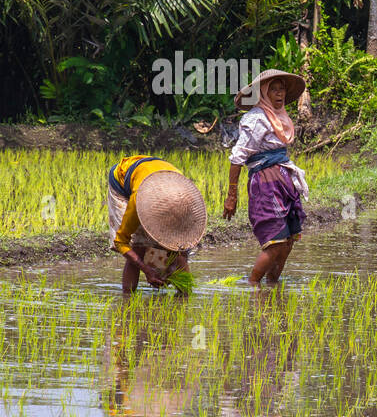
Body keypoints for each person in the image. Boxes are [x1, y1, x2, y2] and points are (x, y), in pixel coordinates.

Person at [223, 69, 310, 287]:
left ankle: (273, 285)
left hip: (283, 180)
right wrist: (231, 195)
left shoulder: (280, 116)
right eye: (274, 90)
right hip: (266, 182)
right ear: (263, 93)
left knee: (288, 242)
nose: (280, 94)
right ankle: (253, 286)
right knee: (274, 243)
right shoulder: (256, 118)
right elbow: (237, 158)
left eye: (282, 89)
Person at [107, 154, 207, 294]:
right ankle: (128, 299)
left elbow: (182, 248)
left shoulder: (184, 199)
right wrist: (147, 270)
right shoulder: (137, 201)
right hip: (122, 183)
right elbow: (121, 242)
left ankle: (184, 296)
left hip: (162, 179)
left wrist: (169, 264)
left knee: (177, 249)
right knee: (138, 246)